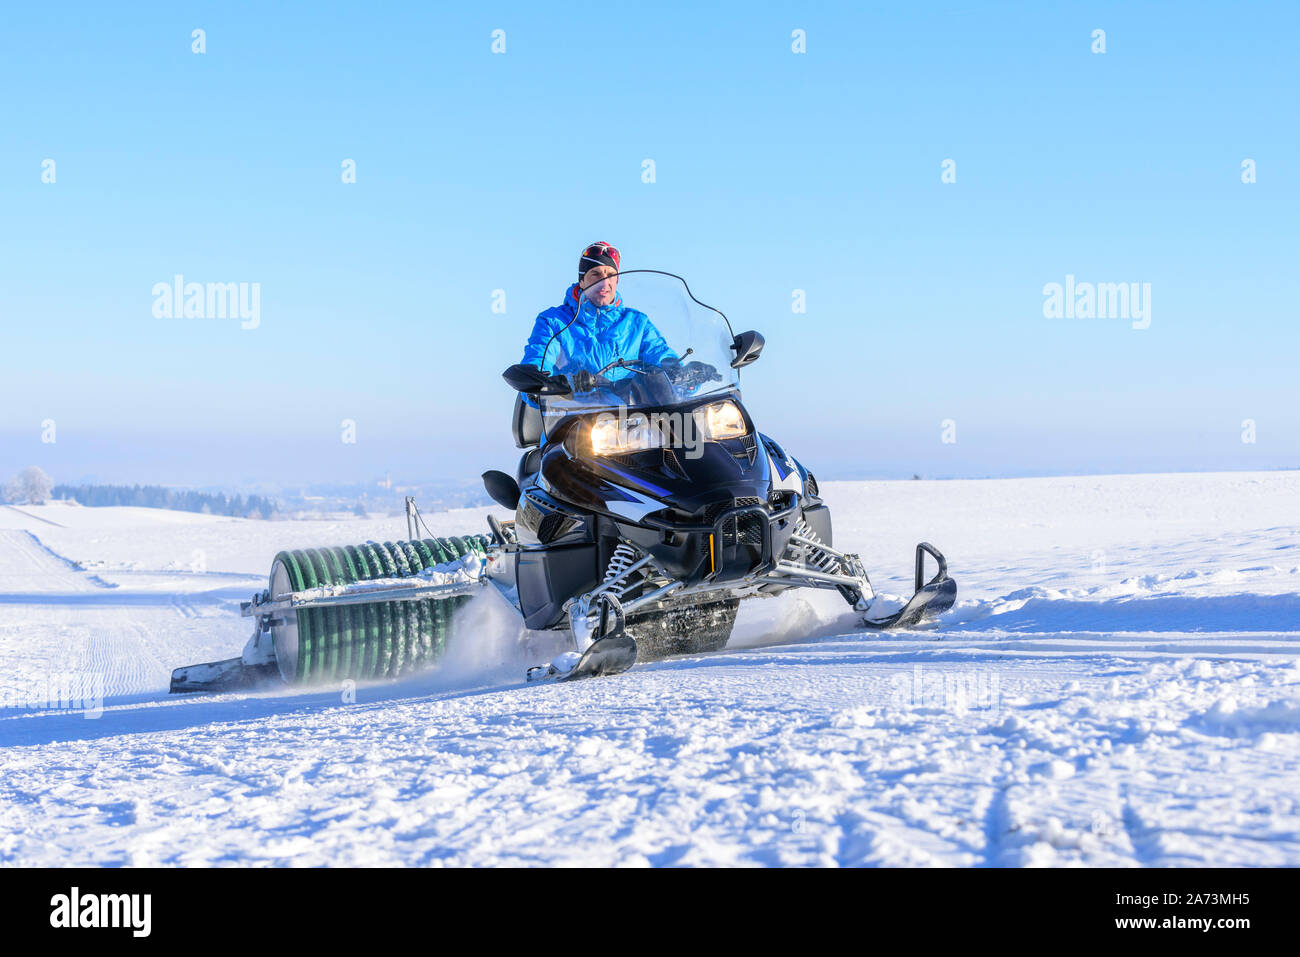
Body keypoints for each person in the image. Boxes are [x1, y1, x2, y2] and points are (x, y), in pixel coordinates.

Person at [520, 242, 677, 385]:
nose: (604, 282)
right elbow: (539, 360)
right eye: (596, 274)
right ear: (582, 282)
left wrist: (683, 374)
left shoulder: (637, 324)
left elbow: (661, 356)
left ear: (617, 281)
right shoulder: (554, 322)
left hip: (632, 412)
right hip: (574, 412)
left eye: (610, 275)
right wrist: (538, 382)